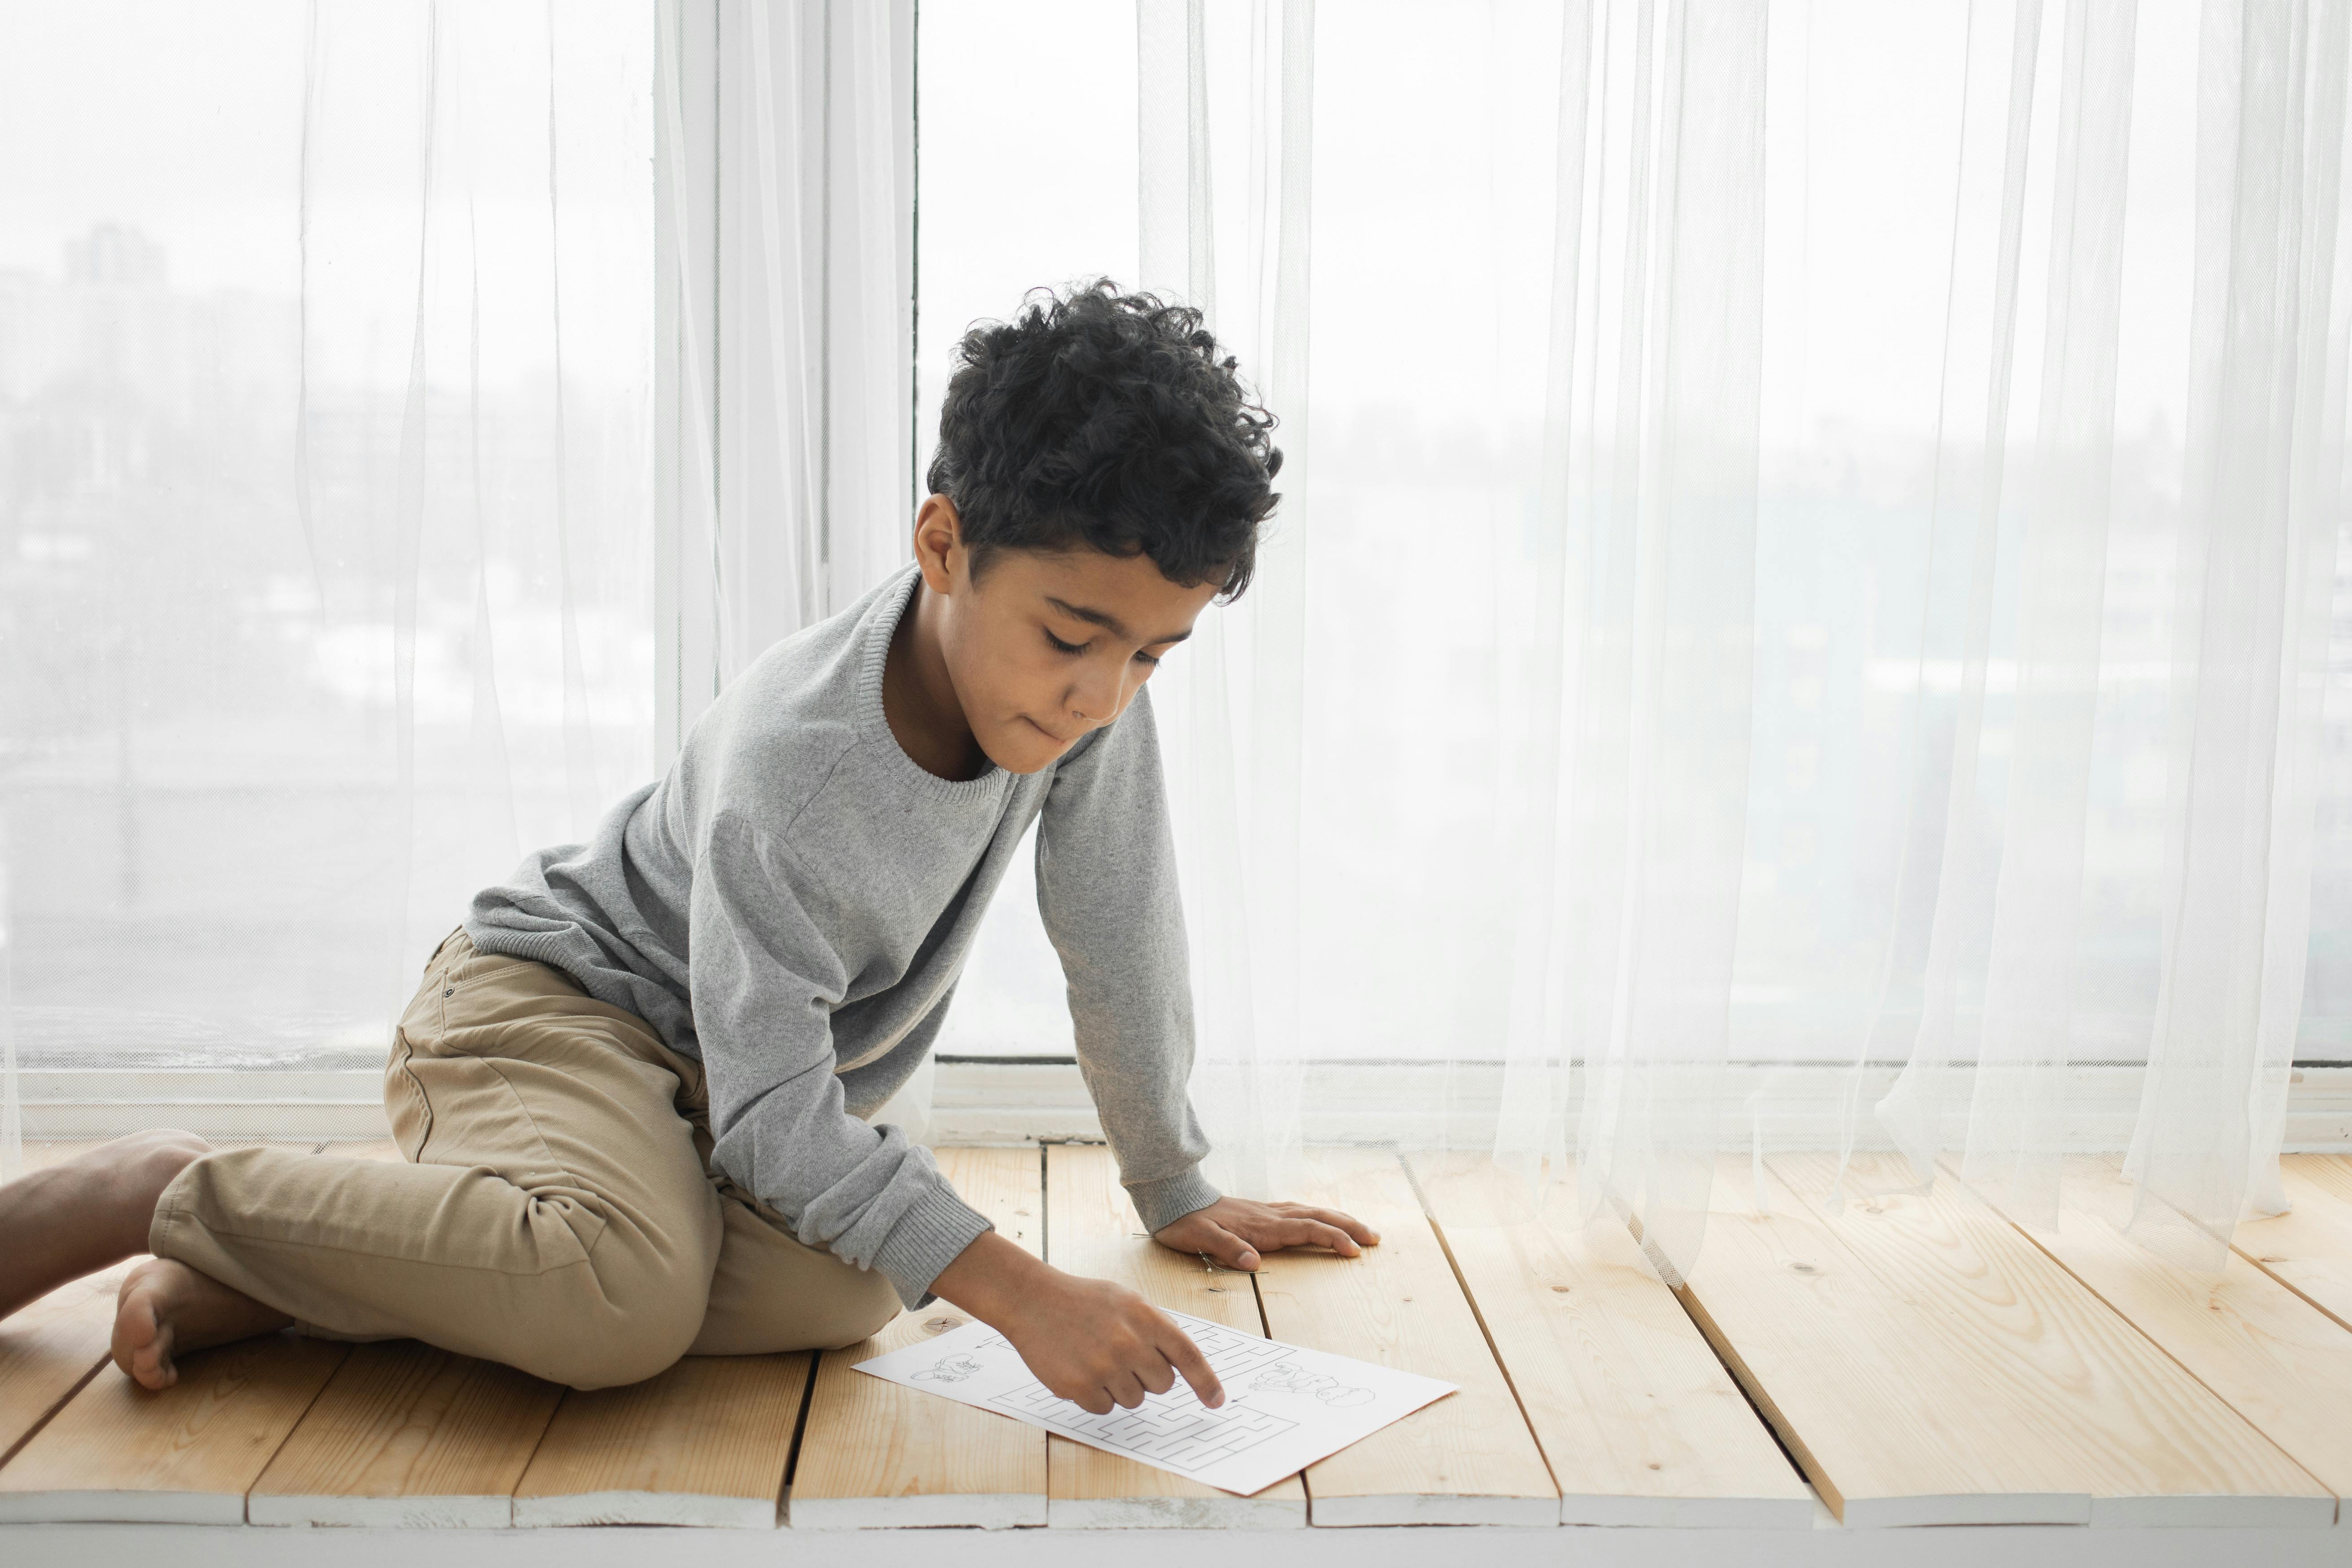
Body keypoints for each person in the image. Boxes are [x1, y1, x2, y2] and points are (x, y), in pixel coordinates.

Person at [0, 278, 1376, 1419]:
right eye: (1073, 638)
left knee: (844, 1294)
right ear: (944, 546)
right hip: (549, 1012)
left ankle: (281, 1272)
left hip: (724, 1082)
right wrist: (1017, 1289)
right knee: (630, 1303)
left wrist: (1171, 1182)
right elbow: (788, 1121)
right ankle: (158, 1188)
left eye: (1154, 653)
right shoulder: (796, 766)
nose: (1102, 693)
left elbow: (1121, 935)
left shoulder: (1087, 711)